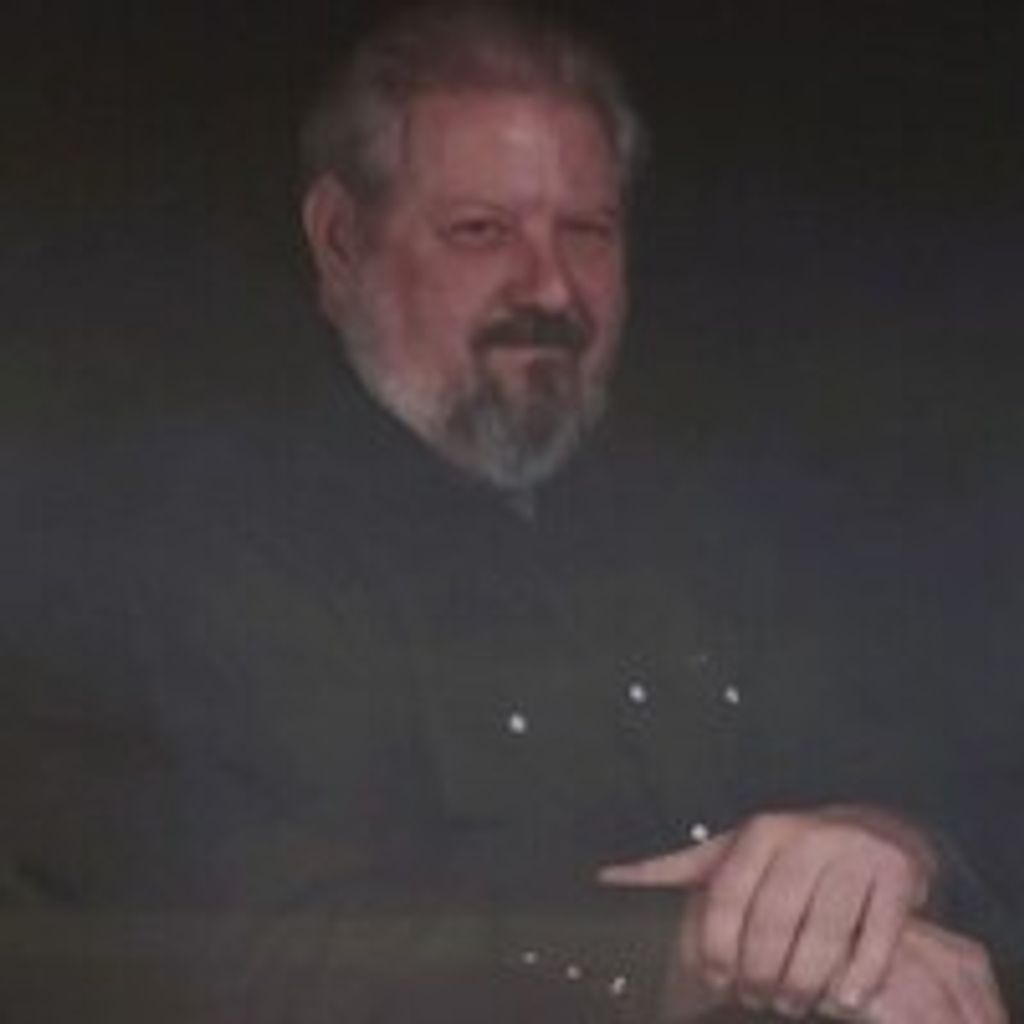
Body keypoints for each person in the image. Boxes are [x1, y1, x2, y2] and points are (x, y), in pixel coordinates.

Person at [0, 4, 1011, 1022]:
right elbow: (251, 951)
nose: (552, 288)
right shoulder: (193, 544)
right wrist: (705, 949)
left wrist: (889, 848)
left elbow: (927, 772)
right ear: (341, 241)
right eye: (481, 231)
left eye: (587, 231)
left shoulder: (712, 522)